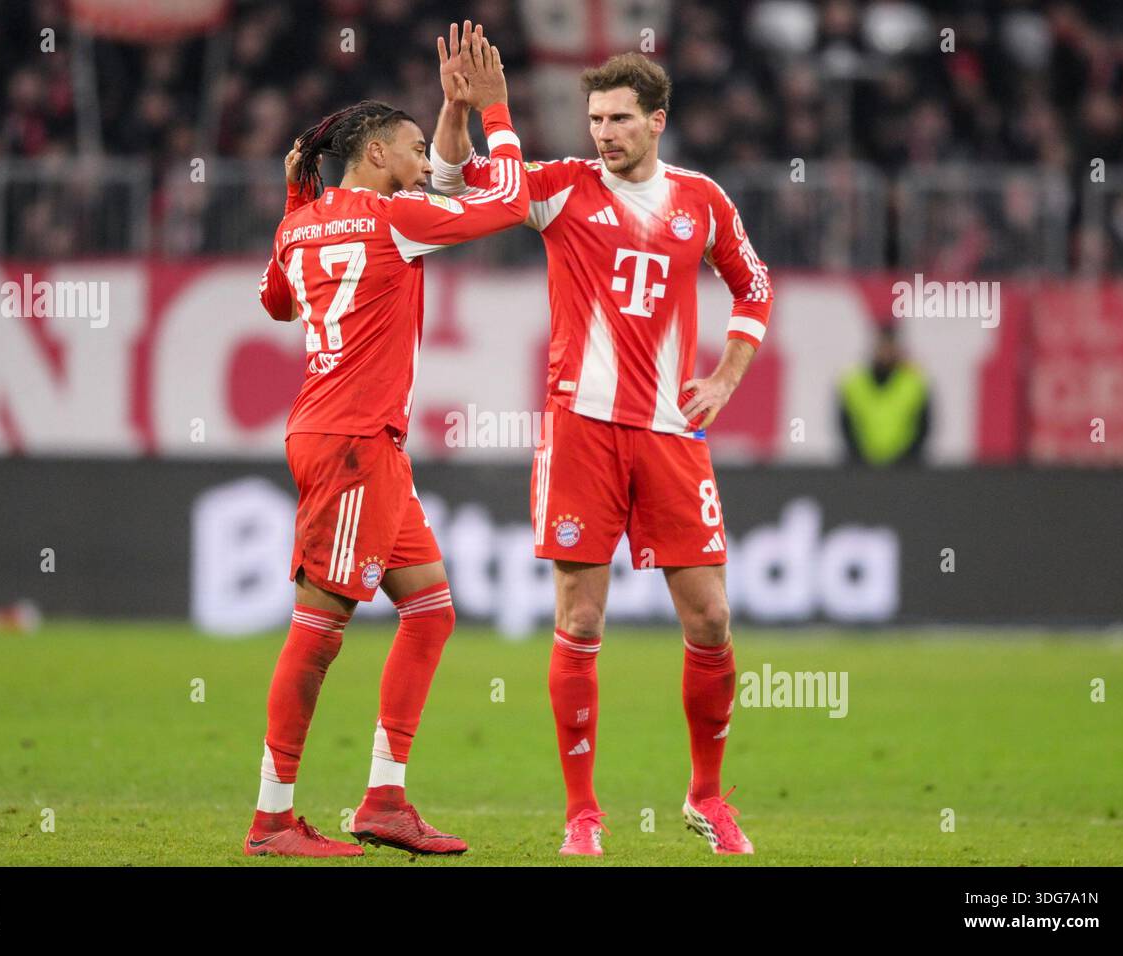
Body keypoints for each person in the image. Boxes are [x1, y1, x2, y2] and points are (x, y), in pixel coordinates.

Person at [431, 46, 772, 856]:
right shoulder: (559, 188)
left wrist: (726, 374)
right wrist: (460, 111)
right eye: (595, 119)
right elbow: (450, 185)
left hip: (670, 434)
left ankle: (706, 796)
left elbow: (752, 283)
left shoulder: (702, 200)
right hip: (580, 428)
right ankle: (582, 811)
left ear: (657, 121)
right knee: (581, 617)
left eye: (620, 118)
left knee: (713, 617)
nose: (605, 133)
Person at [245, 32, 527, 858]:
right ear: (374, 152)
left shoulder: (298, 229)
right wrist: (498, 110)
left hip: (349, 437)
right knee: (320, 626)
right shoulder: (394, 222)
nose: (422, 159)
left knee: (430, 608)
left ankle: (385, 800)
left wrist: (299, 194)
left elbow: (276, 305)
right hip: (352, 442)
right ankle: (271, 819)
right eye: (410, 147)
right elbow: (506, 202)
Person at [838, 325, 931, 466]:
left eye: (889, 346)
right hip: (861, 465)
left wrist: (909, 457)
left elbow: (923, 425)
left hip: (906, 465)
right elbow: (845, 425)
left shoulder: (914, 383)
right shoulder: (853, 384)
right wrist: (858, 455)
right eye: (882, 346)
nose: (885, 352)